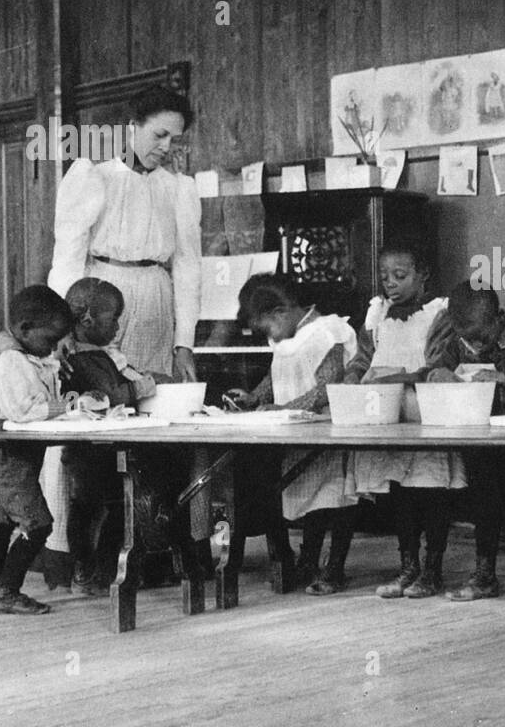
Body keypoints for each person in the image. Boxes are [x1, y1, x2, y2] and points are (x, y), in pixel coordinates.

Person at [48, 85, 201, 382]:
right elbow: (67, 257)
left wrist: (184, 343)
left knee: (150, 391)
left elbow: (188, 267)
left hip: (155, 302)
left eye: (175, 138)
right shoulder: (95, 177)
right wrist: (62, 327)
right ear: (133, 127)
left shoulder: (178, 188)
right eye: (160, 135)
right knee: (102, 388)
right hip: (100, 301)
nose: (167, 147)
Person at [226, 273, 359, 595]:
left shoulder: (328, 332)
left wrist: (284, 407)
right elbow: (278, 371)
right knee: (311, 497)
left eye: (265, 327)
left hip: (332, 428)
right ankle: (309, 560)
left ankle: (335, 566)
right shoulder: (287, 337)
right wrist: (255, 397)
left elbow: (330, 386)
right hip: (299, 431)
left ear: (279, 314)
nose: (266, 335)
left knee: (337, 498)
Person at [343, 238, 461, 600]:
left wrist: (390, 378)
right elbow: (364, 358)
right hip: (385, 415)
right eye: (385, 276)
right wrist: (352, 377)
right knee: (400, 492)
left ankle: (433, 567)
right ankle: (408, 564)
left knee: (430, 491)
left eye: (400, 275)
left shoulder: (440, 314)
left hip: (425, 413)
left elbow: (440, 365)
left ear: (423, 275)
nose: (390, 283)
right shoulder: (377, 313)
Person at [428, 280, 505, 603]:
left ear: (497, 319)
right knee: (484, 508)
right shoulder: (457, 343)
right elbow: (436, 371)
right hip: (479, 440)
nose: (474, 342)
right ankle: (484, 574)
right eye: (467, 336)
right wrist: (441, 377)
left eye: (480, 335)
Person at [56, 277, 160, 597]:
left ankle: (87, 573)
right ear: (87, 320)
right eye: (113, 319)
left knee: (86, 510)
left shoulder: (89, 355)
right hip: (94, 453)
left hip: (89, 451)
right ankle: (96, 571)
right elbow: (110, 395)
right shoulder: (84, 360)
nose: (117, 326)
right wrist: (139, 388)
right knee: (107, 508)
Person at [0, 286, 74, 615]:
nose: (51, 348)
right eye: (49, 340)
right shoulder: (12, 359)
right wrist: (62, 408)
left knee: (0, 520)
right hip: (11, 453)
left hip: (2, 450)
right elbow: (23, 409)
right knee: (39, 524)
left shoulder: (13, 352)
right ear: (25, 329)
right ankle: (7, 589)